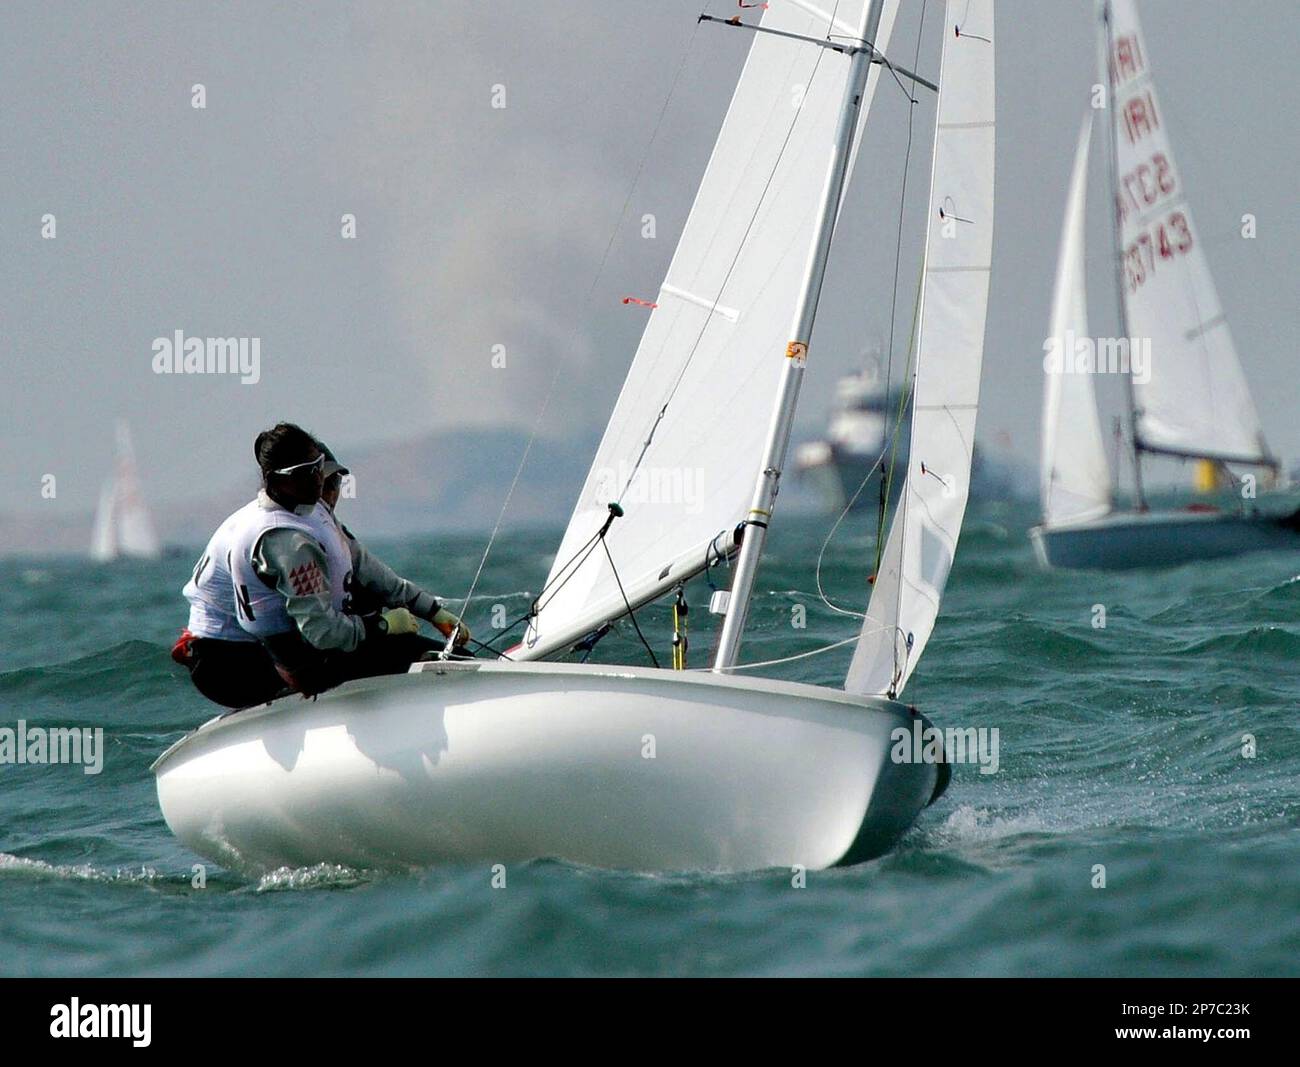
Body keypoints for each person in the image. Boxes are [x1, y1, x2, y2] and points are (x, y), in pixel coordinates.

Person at [172, 422, 468, 708]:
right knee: (396, 644)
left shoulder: (310, 512)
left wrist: (432, 610)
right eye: (307, 473)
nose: (319, 480)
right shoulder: (286, 541)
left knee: (378, 615)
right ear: (278, 480)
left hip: (275, 646)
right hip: (231, 668)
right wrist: (381, 626)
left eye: (321, 469)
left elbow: (368, 571)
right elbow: (323, 633)